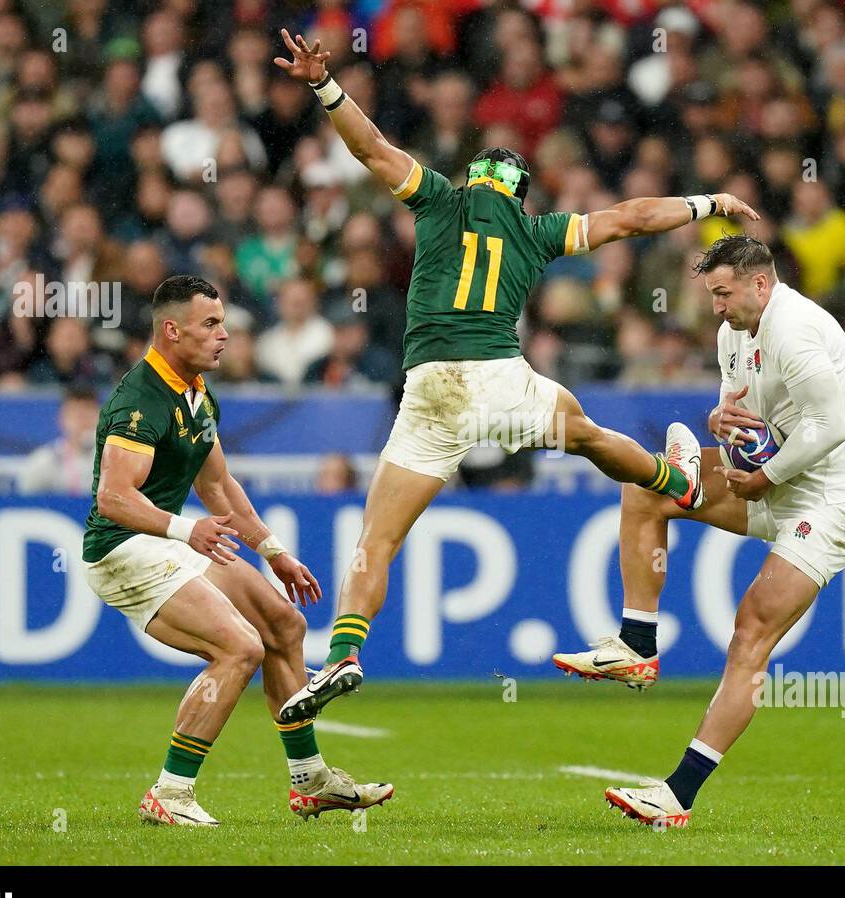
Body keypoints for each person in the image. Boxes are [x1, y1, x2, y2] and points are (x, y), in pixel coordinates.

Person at [271, 30, 761, 722]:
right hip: (498, 376)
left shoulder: (438, 200)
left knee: (375, 541)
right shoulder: (535, 232)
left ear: (474, 177)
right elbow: (629, 219)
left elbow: (370, 146)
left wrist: (325, 85)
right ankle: (673, 480)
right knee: (588, 435)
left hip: (428, 386)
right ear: (521, 193)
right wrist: (708, 203)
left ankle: (346, 652)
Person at [556, 237, 845, 826]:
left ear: (760, 284)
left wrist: (767, 473)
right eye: (711, 295)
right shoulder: (733, 333)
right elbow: (739, 416)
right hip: (769, 481)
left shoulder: (796, 328)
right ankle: (637, 645)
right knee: (644, 484)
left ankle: (678, 794)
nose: (717, 307)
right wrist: (718, 421)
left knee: (750, 629)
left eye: (724, 293)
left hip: (827, 500)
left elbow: (833, 424)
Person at [81, 274, 393, 826]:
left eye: (224, 322)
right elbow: (112, 498)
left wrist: (273, 552)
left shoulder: (196, 392)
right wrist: (185, 530)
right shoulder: (140, 399)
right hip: (125, 550)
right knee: (239, 649)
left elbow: (219, 488)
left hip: (169, 543)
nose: (225, 334)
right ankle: (169, 794)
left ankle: (310, 780)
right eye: (211, 324)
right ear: (172, 331)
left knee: (285, 625)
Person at [18, 386, 100, 494]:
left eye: (89, 414)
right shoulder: (45, 461)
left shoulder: (115, 459)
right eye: (77, 415)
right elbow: (26, 503)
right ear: (62, 418)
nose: (83, 422)